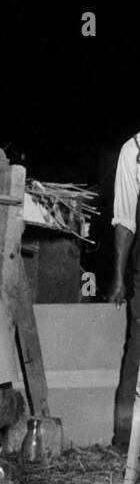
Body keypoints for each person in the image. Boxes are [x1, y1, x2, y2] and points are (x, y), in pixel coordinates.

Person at [109, 131, 140, 446]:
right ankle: (124, 439)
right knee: (137, 351)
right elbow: (125, 218)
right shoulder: (133, 150)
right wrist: (118, 277)